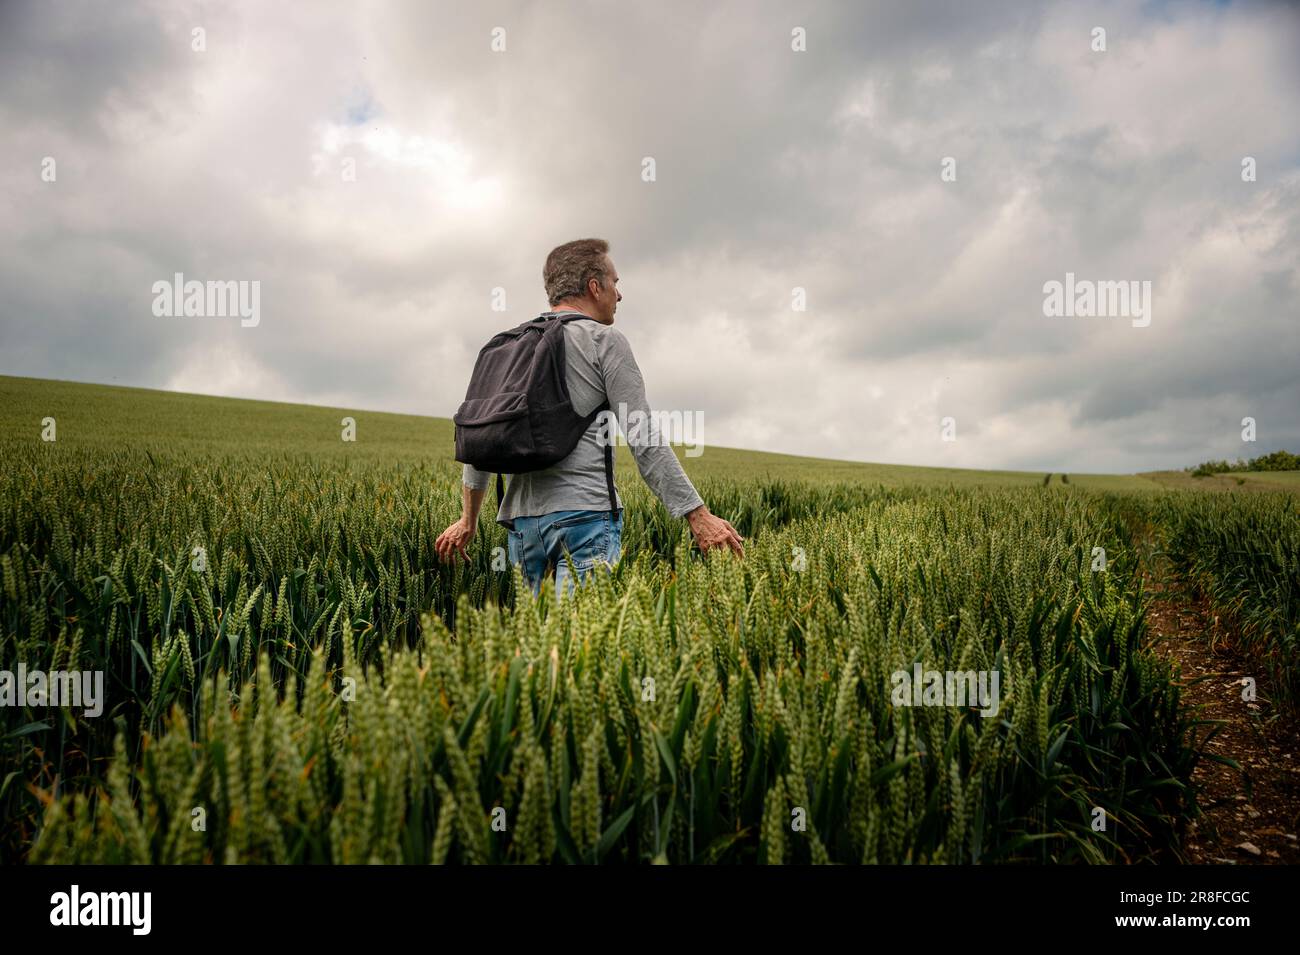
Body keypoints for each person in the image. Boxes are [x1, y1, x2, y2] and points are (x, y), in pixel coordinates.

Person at [435, 238, 743, 599]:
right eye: (615, 282)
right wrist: (698, 515)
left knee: (541, 645)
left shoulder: (506, 345)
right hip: (584, 520)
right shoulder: (604, 341)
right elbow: (642, 436)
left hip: (521, 527)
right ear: (594, 287)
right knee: (577, 645)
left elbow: (483, 436)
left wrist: (468, 520)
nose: (620, 294)